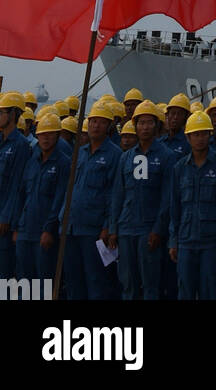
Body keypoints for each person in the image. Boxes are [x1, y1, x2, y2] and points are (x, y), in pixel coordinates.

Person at [108, 99, 177, 300]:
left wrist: (158, 229)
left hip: (149, 229)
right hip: (126, 227)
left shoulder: (167, 156)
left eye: (149, 122)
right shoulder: (125, 158)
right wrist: (113, 228)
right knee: (128, 282)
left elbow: (167, 198)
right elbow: (117, 195)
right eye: (141, 122)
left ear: (156, 126)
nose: (145, 127)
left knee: (151, 285)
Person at [60, 100, 122, 299]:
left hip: (94, 229)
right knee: (73, 280)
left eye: (101, 122)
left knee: (96, 281)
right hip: (71, 227)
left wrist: (107, 227)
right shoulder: (80, 152)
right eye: (93, 121)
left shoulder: (115, 155)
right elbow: (71, 187)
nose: (95, 125)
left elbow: (114, 194)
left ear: (109, 126)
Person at [168, 109, 216, 300]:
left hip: (210, 241)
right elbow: (175, 207)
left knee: (211, 289)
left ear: (210, 135)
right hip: (186, 240)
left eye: (204, 134)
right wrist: (173, 240)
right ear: (188, 138)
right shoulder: (179, 168)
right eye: (196, 134)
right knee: (185, 289)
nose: (200, 139)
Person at [11, 112, 69, 284]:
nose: (45, 138)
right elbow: (21, 195)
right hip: (24, 230)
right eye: (42, 134)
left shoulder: (63, 164)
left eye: (50, 134)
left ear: (58, 135)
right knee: (24, 281)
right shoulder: (32, 162)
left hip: (43, 232)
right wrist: (16, 227)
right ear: (37, 136)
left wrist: (49, 230)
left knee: (44, 282)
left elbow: (60, 199)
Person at [0, 90, 33, 280]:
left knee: (4, 271)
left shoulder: (21, 146)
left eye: (2, 112)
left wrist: (7, 217)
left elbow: (18, 185)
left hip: (3, 219)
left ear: (14, 114)